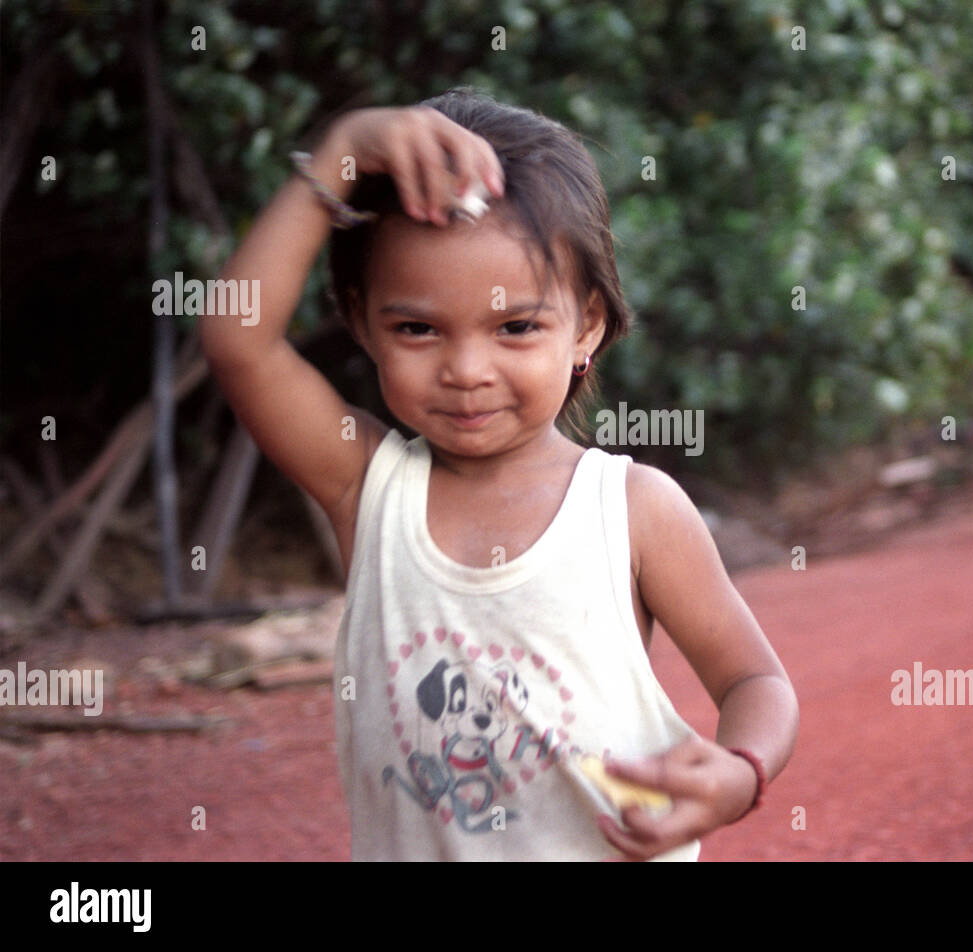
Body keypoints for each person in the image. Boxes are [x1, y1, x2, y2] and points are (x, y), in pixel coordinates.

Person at [199, 86, 798, 860]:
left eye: (516, 326)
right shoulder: (369, 488)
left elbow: (756, 682)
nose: (467, 370)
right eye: (417, 328)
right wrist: (343, 151)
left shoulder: (631, 509)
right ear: (360, 321)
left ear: (586, 324)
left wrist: (739, 770)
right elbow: (237, 338)